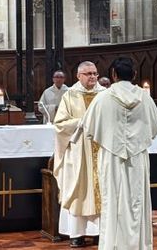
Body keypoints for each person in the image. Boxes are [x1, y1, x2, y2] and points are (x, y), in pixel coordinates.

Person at [78, 57, 157, 250]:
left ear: (113, 75)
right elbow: (155, 128)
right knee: (137, 202)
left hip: (111, 158)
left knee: (112, 201)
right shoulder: (145, 98)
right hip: (137, 158)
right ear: (134, 75)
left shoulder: (102, 98)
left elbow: (89, 129)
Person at [53, 61, 105, 247]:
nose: (92, 77)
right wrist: (81, 122)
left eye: (95, 73)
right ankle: (77, 234)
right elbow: (59, 124)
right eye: (88, 73)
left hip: (101, 151)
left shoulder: (104, 95)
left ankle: (101, 232)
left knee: (102, 190)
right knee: (78, 190)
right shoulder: (70, 96)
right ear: (78, 76)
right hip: (78, 152)